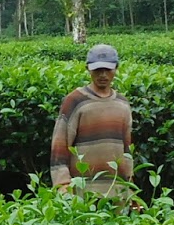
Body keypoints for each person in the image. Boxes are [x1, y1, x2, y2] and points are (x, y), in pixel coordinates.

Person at [50, 43, 136, 202]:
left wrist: (131, 188)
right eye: (97, 69)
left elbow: (126, 149)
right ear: (88, 68)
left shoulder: (122, 104)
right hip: (82, 194)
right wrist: (62, 186)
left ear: (116, 68)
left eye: (108, 69)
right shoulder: (75, 101)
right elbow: (59, 146)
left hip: (117, 192)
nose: (103, 74)